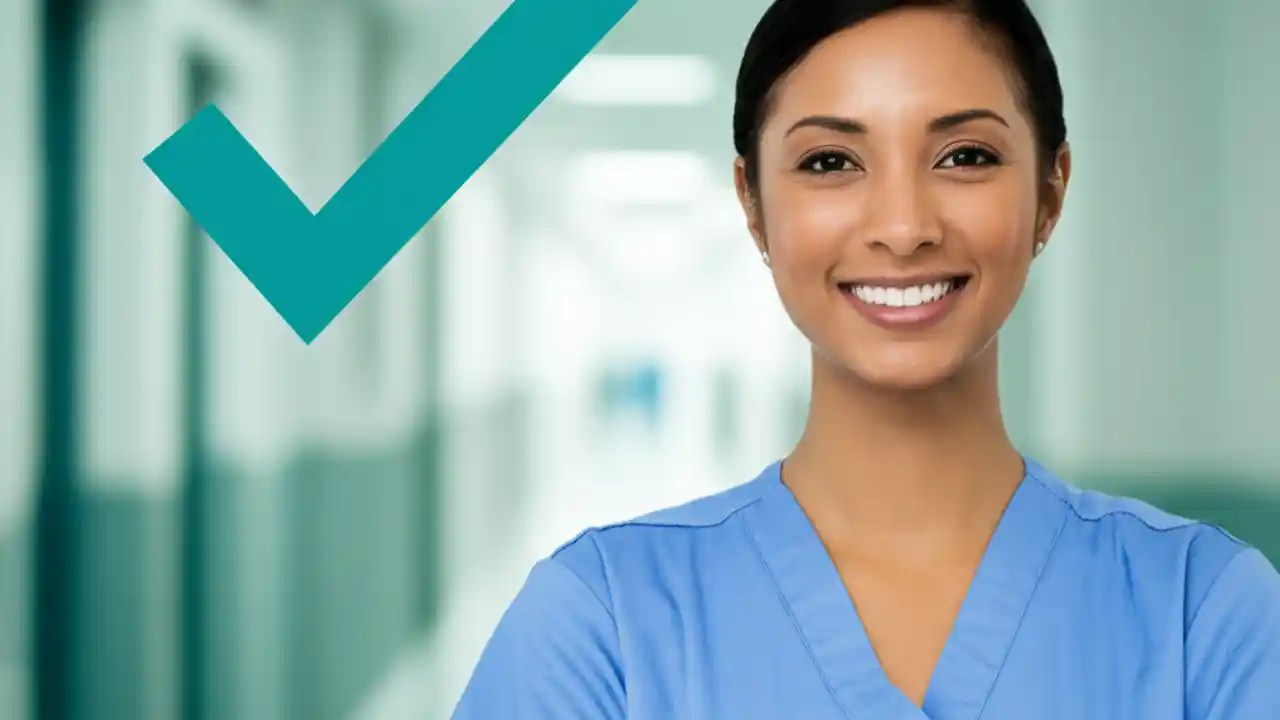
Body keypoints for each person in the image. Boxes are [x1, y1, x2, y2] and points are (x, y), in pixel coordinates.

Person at [452, 1, 1280, 717]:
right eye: (830, 162)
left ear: (1050, 193)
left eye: (965, 157)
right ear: (753, 205)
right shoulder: (602, 626)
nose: (902, 225)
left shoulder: (1204, 617)